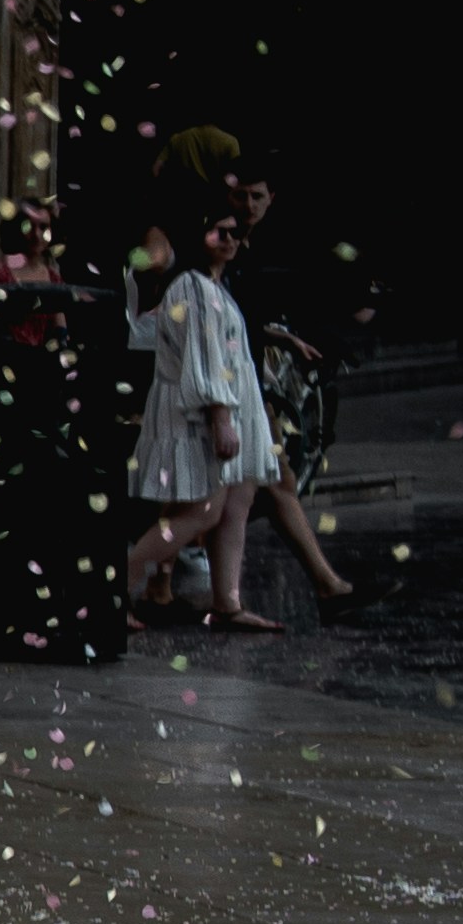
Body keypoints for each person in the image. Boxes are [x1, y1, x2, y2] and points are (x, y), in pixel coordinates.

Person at [119, 204, 294, 635]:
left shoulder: (214, 285)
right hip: (199, 411)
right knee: (201, 509)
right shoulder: (193, 287)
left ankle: (227, 602)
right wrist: (220, 416)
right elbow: (204, 355)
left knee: (237, 499)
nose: (229, 240)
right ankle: (116, 587)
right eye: (219, 231)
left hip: (228, 404)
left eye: (233, 232)